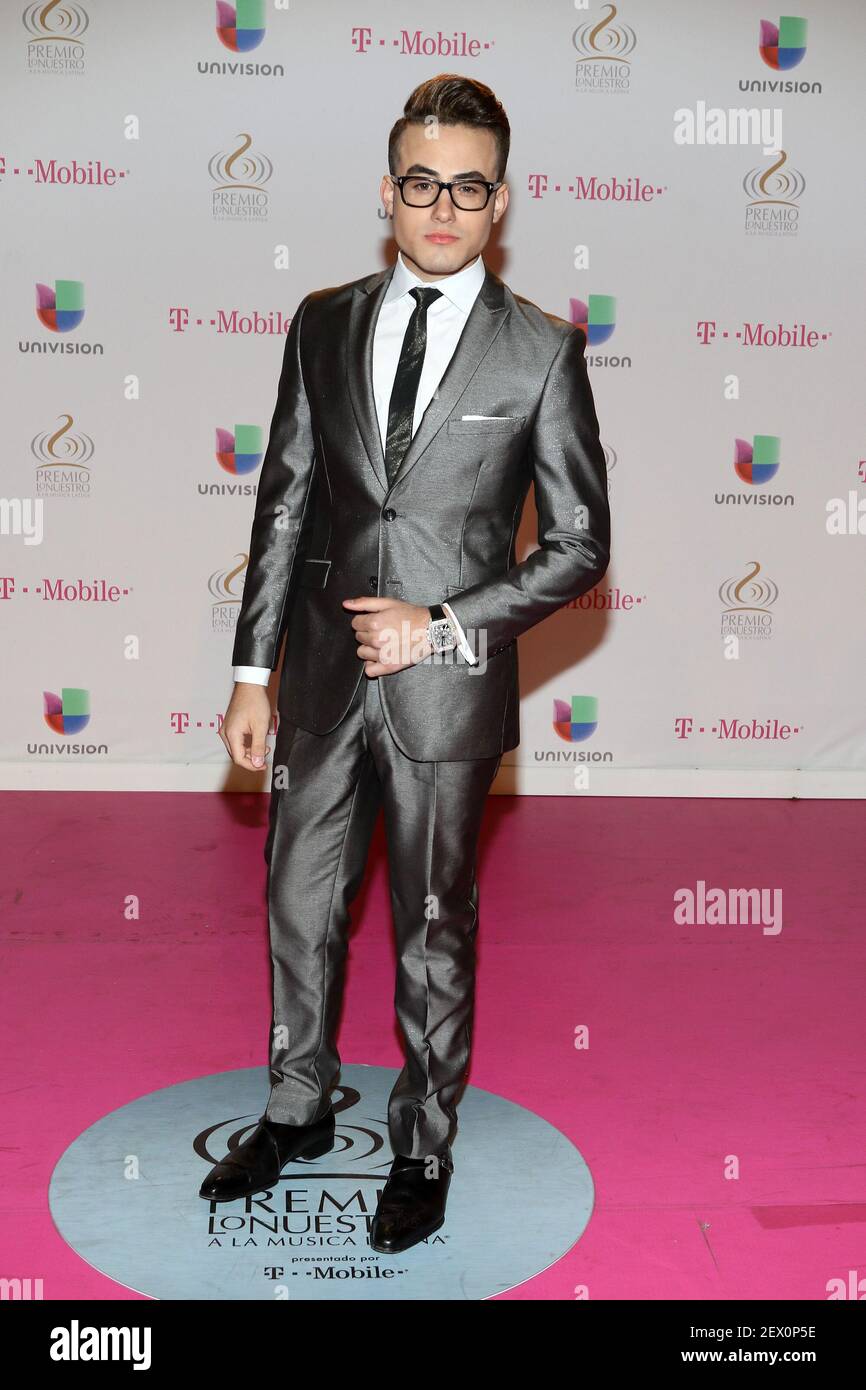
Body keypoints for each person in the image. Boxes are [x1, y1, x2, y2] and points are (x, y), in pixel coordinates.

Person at [199, 73, 611, 1254]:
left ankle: (423, 1143)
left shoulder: (539, 350)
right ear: (387, 192)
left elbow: (581, 545)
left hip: (446, 688)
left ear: (499, 202)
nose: (443, 205)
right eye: (422, 181)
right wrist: (249, 674)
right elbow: (283, 502)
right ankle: (296, 1102)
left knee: (433, 923)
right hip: (321, 678)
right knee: (295, 900)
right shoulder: (320, 320)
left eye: (468, 186)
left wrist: (439, 623)